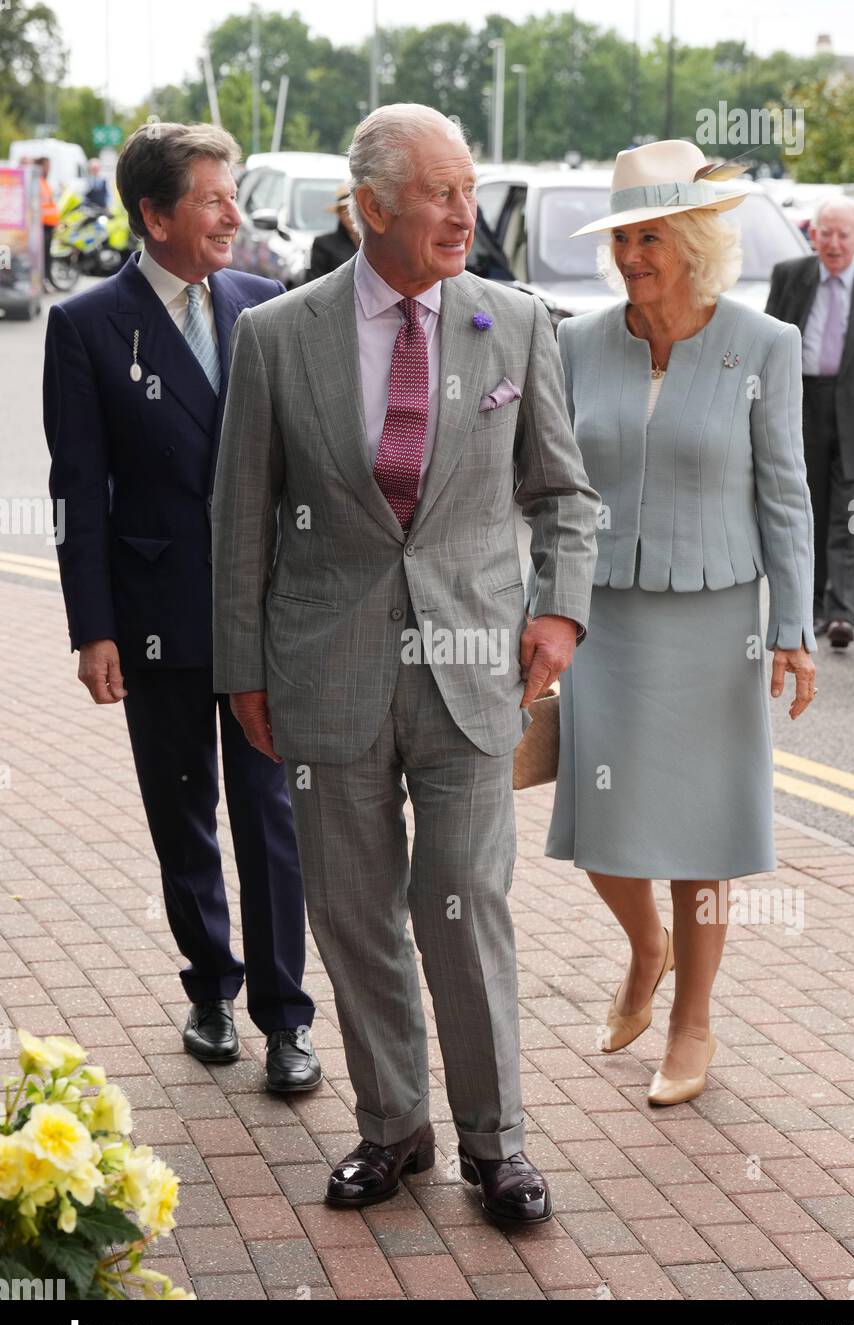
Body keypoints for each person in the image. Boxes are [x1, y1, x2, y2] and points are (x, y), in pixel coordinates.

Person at [212, 103, 599, 1223]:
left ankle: (497, 1144)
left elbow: (564, 496)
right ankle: (394, 1128)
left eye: (466, 189)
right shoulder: (277, 335)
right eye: (436, 192)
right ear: (371, 207)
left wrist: (560, 615)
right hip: (320, 673)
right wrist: (243, 669)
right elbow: (240, 518)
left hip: (475, 668)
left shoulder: (515, 322)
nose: (459, 211)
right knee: (350, 905)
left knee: (464, 899)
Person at [531, 139, 816, 1107]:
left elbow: (787, 495)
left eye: (652, 236)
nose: (633, 255)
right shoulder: (577, 341)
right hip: (603, 614)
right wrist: (541, 604)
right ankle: (644, 947)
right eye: (624, 238)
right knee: (603, 822)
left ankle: (694, 1017)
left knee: (702, 831)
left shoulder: (763, 346)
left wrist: (793, 626)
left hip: (717, 619)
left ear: (695, 240)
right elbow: (555, 490)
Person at [43, 122, 322, 1094]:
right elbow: (78, 489)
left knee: (270, 815)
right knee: (183, 814)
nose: (233, 215)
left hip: (262, 617)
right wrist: (93, 628)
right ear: (154, 215)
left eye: (233, 193)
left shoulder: (263, 301)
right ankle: (210, 987)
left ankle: (287, 1017)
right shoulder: (85, 326)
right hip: (155, 612)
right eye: (212, 198)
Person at [766, 195, 854, 649]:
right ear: (814, 235)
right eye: (824, 232)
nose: (833, 242)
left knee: (849, 515)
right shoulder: (790, 275)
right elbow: (766, 343)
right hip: (802, 406)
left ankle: (842, 614)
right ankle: (814, 608)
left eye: (842, 234)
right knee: (809, 511)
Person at [303, 183, 359, 282]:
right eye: (346, 211)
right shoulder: (323, 244)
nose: (351, 216)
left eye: (355, 210)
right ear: (339, 215)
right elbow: (314, 284)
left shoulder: (376, 243)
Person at [37, 156, 58, 291]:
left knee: (47, 256)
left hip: (49, 225)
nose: (48, 169)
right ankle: (43, 281)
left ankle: (47, 279)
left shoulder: (44, 182)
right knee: (43, 257)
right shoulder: (38, 182)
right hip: (41, 226)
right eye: (46, 166)